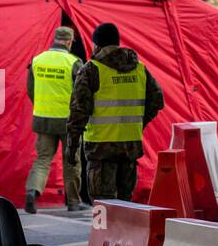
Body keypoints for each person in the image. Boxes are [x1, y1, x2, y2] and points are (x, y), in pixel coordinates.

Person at [66, 22, 164, 202]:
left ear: (97, 45)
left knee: (104, 205)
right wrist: (138, 123)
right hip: (130, 147)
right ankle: (124, 231)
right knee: (125, 204)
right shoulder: (139, 68)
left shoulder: (91, 70)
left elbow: (78, 111)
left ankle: (107, 232)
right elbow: (157, 100)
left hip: (101, 148)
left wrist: (71, 146)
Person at [24, 26, 83, 213]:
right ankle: (73, 202)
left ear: (55, 39)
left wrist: (41, 106)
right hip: (69, 121)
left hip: (43, 119)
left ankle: (32, 191)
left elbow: (30, 90)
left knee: (42, 159)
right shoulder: (74, 62)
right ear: (69, 41)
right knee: (71, 161)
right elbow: (82, 93)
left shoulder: (37, 60)